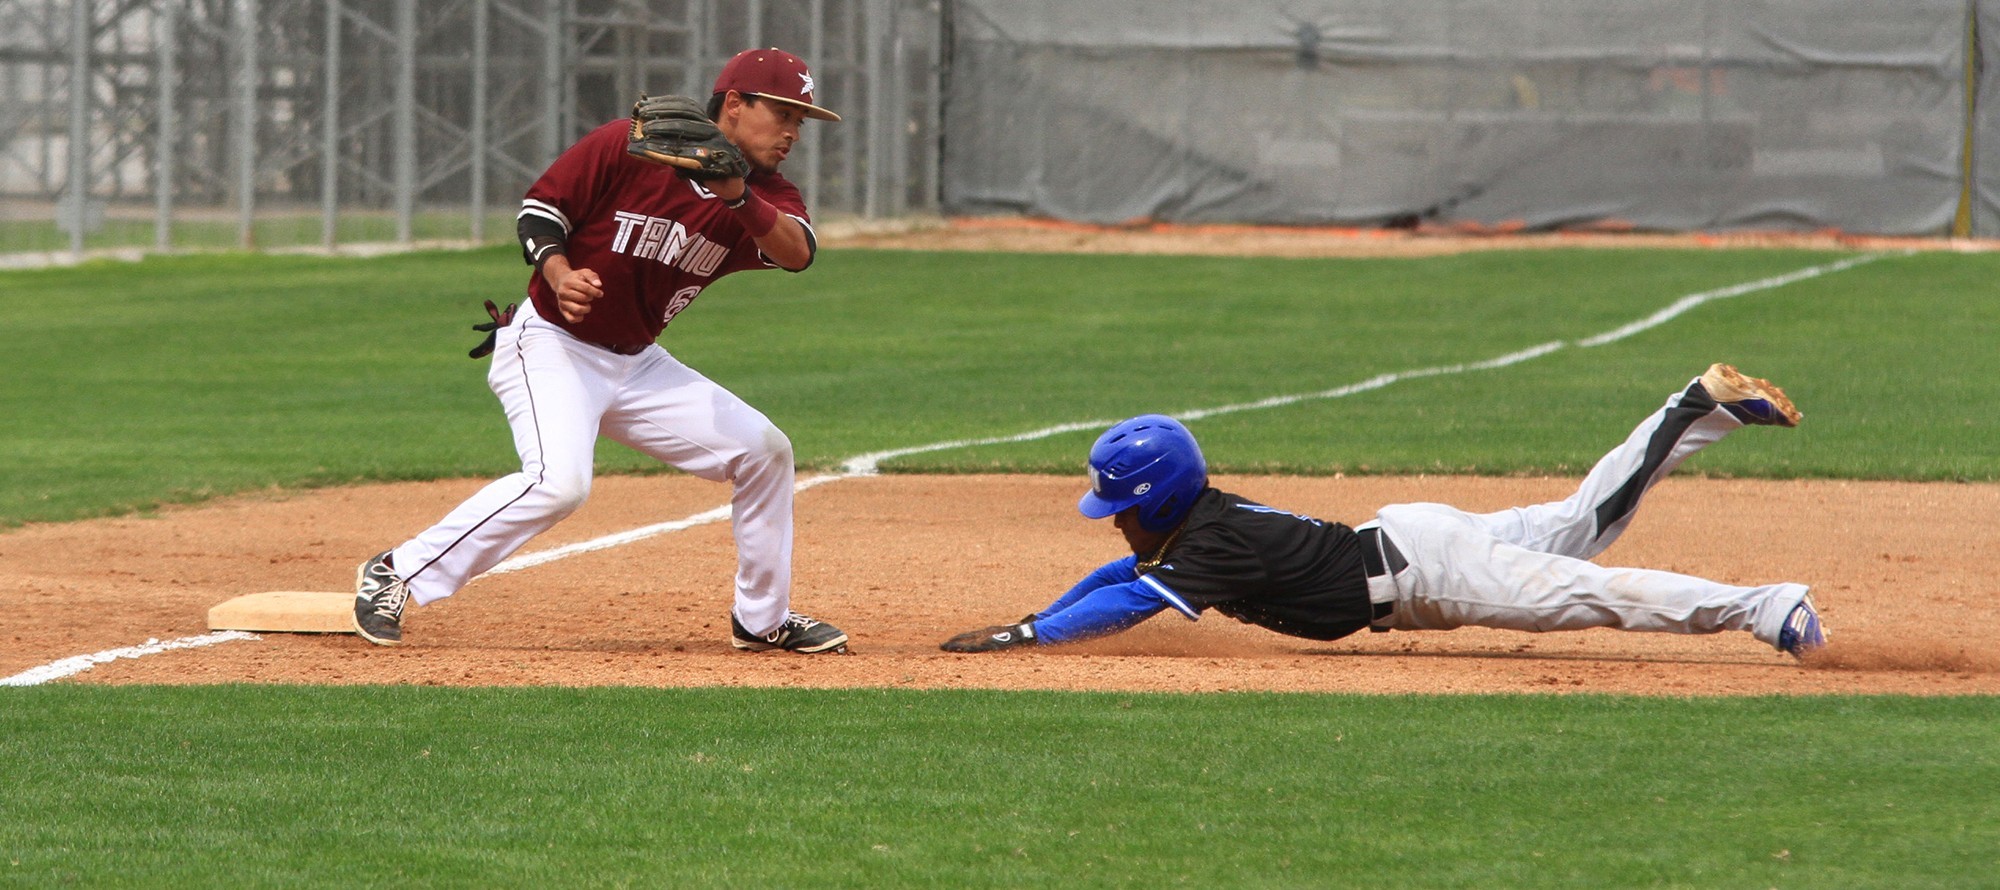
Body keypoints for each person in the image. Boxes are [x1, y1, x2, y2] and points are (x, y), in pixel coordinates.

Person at [352, 48, 848, 654]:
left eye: (802, 120)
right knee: (559, 485)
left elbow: (798, 253)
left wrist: (738, 195)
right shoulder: (627, 145)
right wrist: (559, 273)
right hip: (550, 344)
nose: (794, 132)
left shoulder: (765, 195)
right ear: (736, 105)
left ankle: (762, 619)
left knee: (765, 451)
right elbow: (540, 213)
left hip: (637, 364)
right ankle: (396, 572)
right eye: (784, 113)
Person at [941, 364, 1829, 658]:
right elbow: (1118, 576)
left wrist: (1029, 644)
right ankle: (1694, 410)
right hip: (1411, 538)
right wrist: (1029, 623)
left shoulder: (1203, 544)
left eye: (1116, 508)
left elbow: (1131, 599)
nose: (1113, 522)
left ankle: (1764, 603)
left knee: (1593, 586)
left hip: (1428, 571)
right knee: (1581, 523)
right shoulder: (1195, 528)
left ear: (1155, 500)